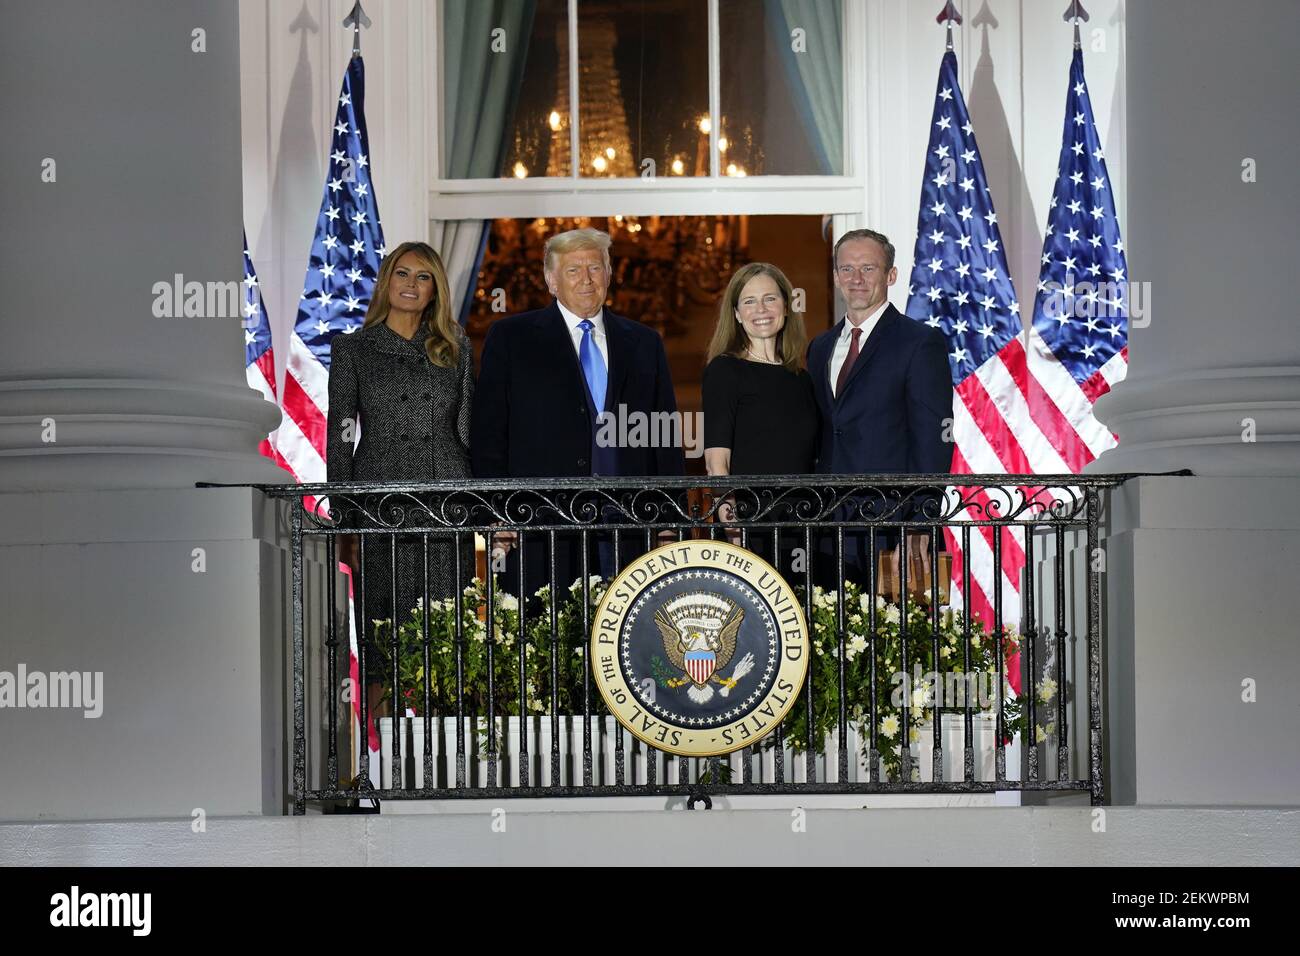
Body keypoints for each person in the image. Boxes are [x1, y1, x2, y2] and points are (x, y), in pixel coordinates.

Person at [471, 227, 684, 597]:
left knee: (624, 637)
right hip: (540, 524)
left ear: (610, 274)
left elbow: (662, 435)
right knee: (546, 638)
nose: (586, 279)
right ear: (551, 281)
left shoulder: (644, 342)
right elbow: (489, 432)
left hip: (627, 525)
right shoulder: (512, 338)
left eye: (595, 268)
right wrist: (497, 511)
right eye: (573, 270)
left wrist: (669, 522)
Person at [326, 241, 474, 719]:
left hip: (445, 505)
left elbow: (471, 430)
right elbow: (340, 435)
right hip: (381, 504)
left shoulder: (457, 345)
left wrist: (480, 506)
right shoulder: (353, 349)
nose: (411, 285)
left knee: (448, 637)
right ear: (387, 282)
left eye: (423, 277)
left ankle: (446, 767)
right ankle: (381, 772)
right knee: (383, 643)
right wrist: (346, 514)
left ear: (435, 290)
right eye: (402, 274)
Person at [806, 228, 953, 587]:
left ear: (891, 275)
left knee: (898, 641)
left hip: (894, 528)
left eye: (868, 269)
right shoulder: (820, 347)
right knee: (831, 638)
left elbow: (933, 439)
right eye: (846, 269)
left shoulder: (920, 343)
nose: (856, 279)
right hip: (830, 528)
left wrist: (920, 521)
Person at [702, 262, 818, 565]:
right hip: (749, 527)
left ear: (786, 307)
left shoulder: (801, 378)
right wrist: (734, 531)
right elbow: (717, 462)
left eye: (770, 298)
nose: (761, 309)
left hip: (802, 525)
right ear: (737, 314)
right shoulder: (724, 371)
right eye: (749, 301)